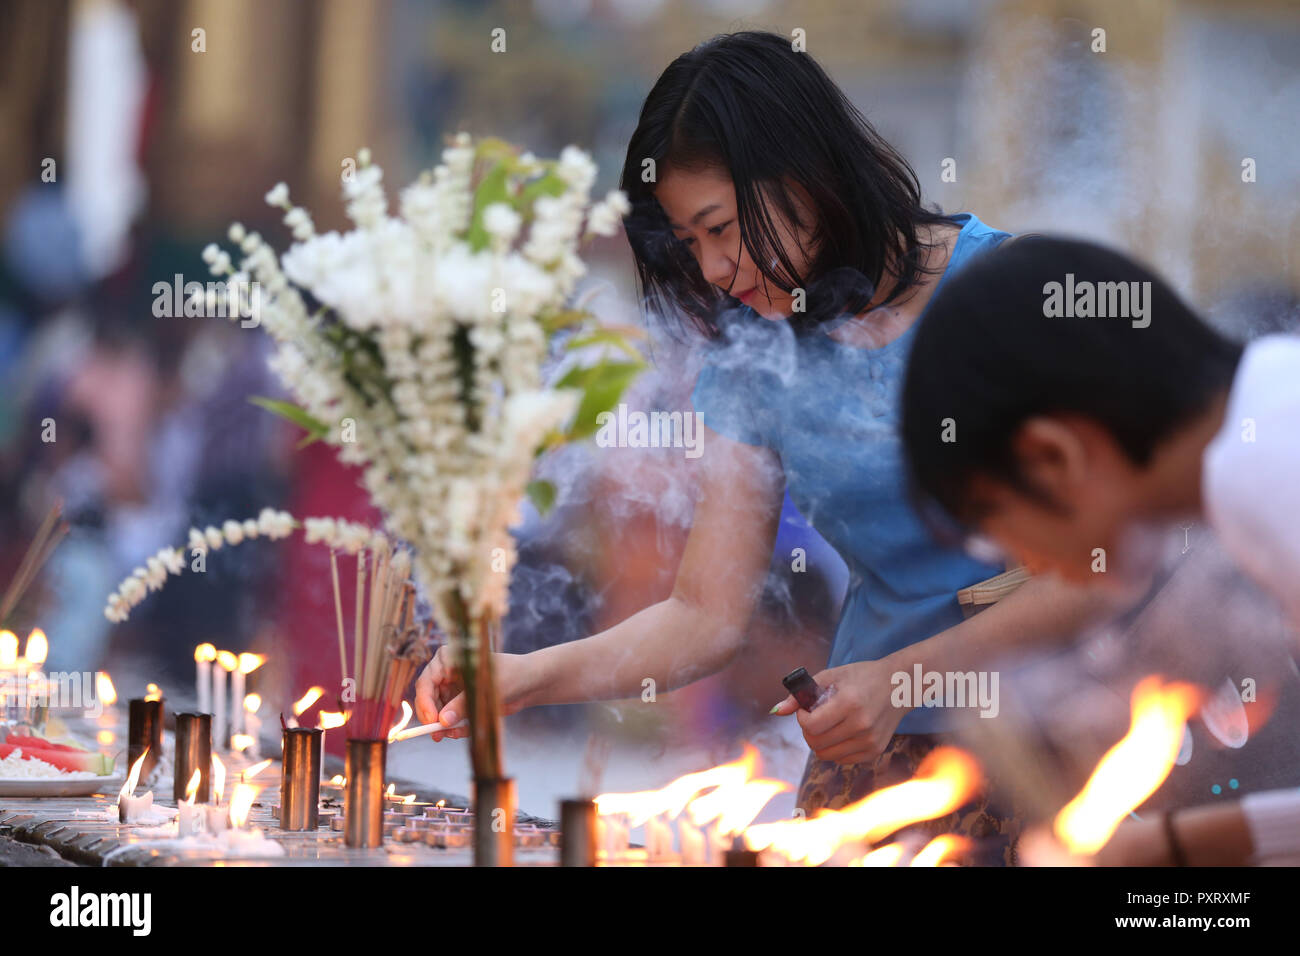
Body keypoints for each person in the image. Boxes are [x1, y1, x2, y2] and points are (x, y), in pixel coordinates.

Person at [417, 32, 1121, 855]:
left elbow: (1107, 571)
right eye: (690, 246)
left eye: (720, 228)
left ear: (805, 175)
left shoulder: (1011, 292)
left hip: (1057, 747)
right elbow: (703, 614)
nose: (714, 269)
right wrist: (523, 677)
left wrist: (906, 678)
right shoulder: (757, 357)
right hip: (870, 756)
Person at [899, 233, 1300, 864]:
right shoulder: (1268, 423)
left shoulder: (1273, 479)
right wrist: (1165, 849)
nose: (1024, 565)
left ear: (1053, 456)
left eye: (992, 521)